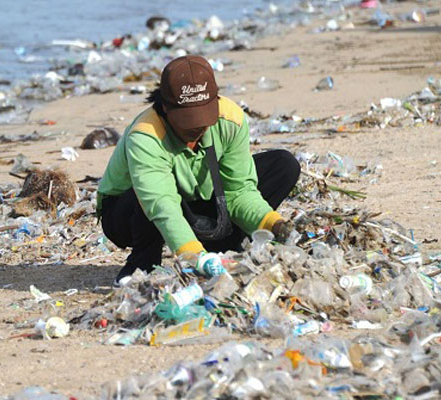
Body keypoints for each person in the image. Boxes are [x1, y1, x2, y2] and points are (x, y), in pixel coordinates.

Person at [97, 55, 300, 285]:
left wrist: (274, 224)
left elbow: (240, 191)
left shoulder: (230, 119)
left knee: (283, 165)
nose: (198, 127)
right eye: (188, 120)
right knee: (144, 195)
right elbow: (162, 204)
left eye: (204, 117)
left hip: (193, 199)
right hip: (130, 212)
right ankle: (143, 263)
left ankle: (226, 243)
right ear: (165, 107)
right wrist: (193, 256)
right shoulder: (146, 135)